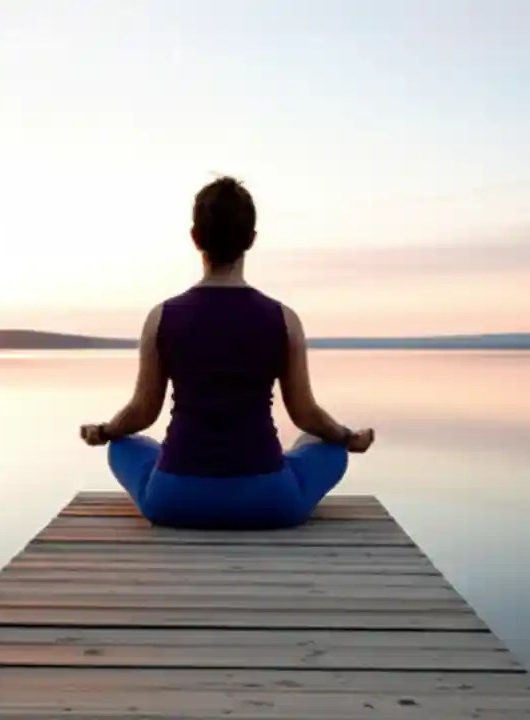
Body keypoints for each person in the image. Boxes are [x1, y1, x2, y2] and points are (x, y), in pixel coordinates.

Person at [79, 176, 374, 529]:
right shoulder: (284, 319)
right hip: (270, 501)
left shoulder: (162, 317)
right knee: (327, 446)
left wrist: (105, 431)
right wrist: (347, 437)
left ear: (195, 237)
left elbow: (142, 412)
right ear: (251, 239)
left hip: (174, 500)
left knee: (123, 445)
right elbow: (305, 414)